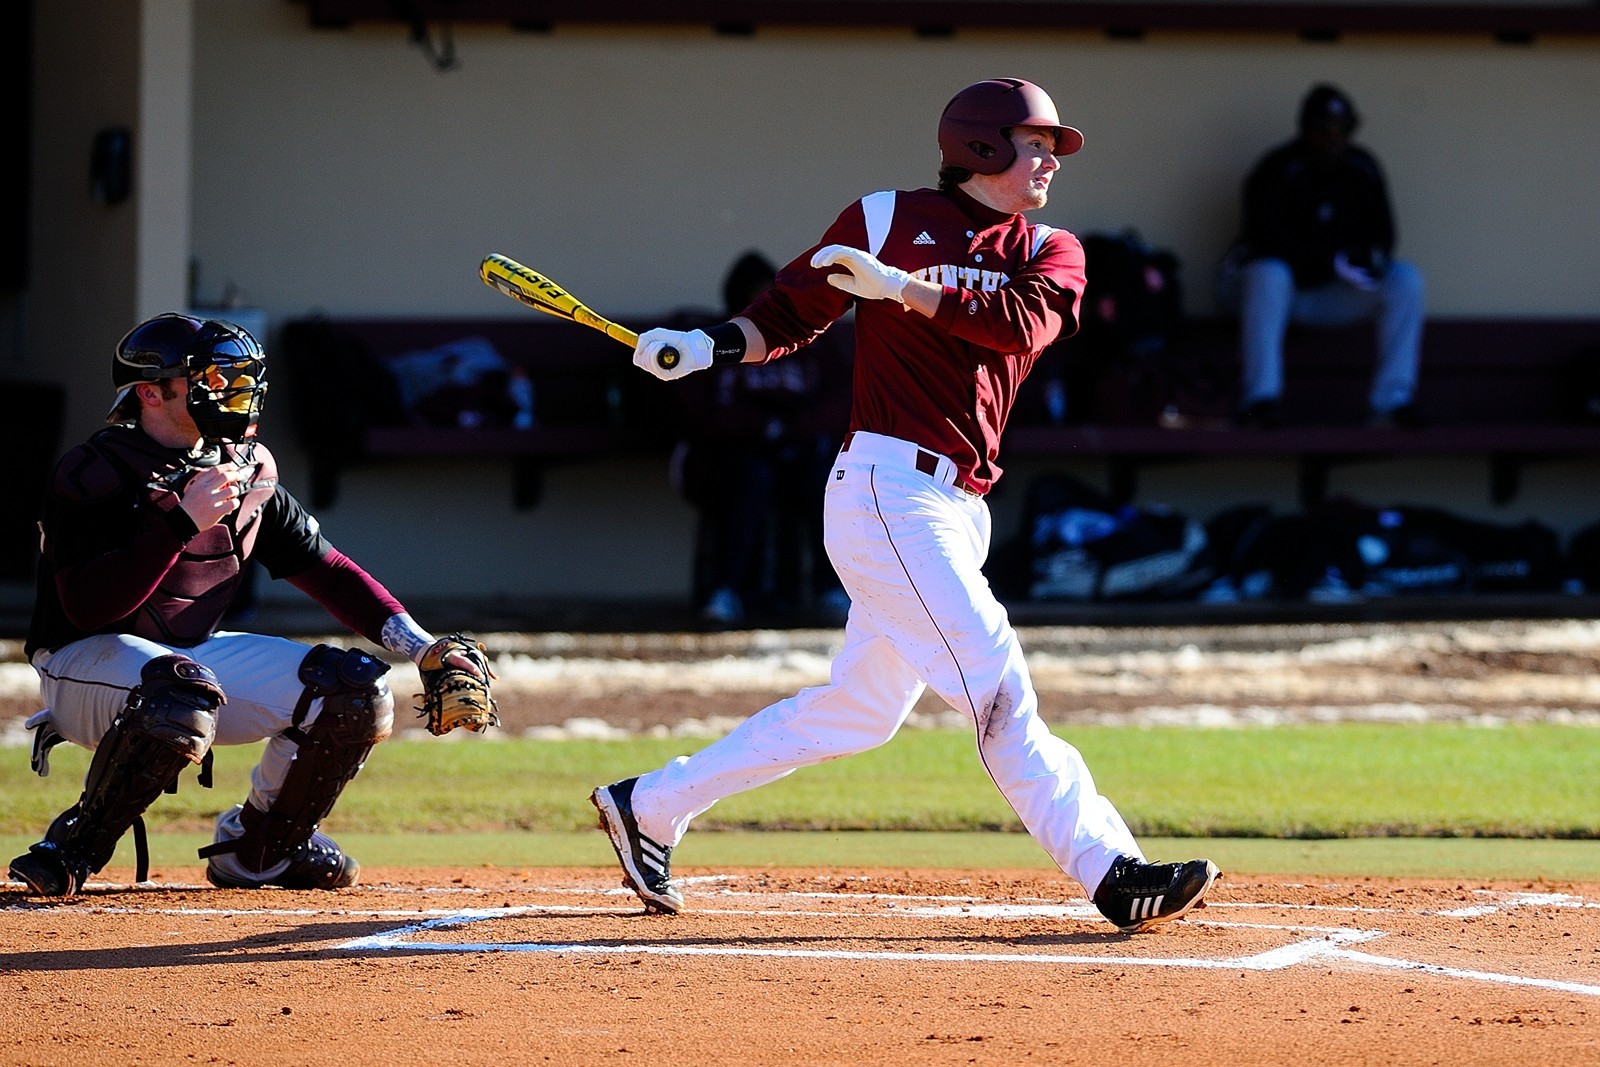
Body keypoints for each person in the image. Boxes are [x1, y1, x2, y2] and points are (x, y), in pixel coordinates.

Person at [590, 78, 1220, 933]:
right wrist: (703, 348)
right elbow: (790, 312)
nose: (1049, 162)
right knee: (999, 687)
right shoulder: (884, 216)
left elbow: (1018, 325)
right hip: (887, 490)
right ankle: (1110, 868)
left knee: (858, 711)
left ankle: (650, 805)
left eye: (1051, 148)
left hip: (959, 506)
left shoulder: (1053, 248)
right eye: (1034, 144)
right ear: (982, 145)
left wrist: (902, 289)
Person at [8, 313, 493, 897]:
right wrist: (179, 525)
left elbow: (329, 572)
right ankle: (74, 848)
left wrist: (422, 646)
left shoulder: (244, 467)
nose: (231, 390)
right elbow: (89, 609)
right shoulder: (95, 471)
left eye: (237, 377)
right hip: (81, 663)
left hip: (185, 659)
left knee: (353, 688)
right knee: (178, 692)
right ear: (150, 393)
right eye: (210, 378)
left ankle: (261, 850)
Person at [1216, 83, 1426, 429]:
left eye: (1340, 129)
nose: (1331, 138)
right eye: (1322, 129)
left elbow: (1384, 239)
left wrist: (1363, 260)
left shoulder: (1362, 169)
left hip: (1328, 294)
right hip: (1273, 296)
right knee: (1270, 274)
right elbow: (1262, 241)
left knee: (1405, 280)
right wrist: (1328, 259)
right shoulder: (1278, 168)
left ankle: (1393, 402)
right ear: (1305, 129)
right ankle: (1261, 400)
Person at [668, 251, 853, 625]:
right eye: (754, 298)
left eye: (770, 297)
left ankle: (830, 587)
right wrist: (762, 426)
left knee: (827, 479)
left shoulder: (809, 340)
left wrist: (794, 427)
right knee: (752, 479)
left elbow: (841, 398)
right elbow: (702, 413)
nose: (762, 307)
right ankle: (726, 591)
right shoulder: (717, 341)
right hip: (731, 457)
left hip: (799, 448)